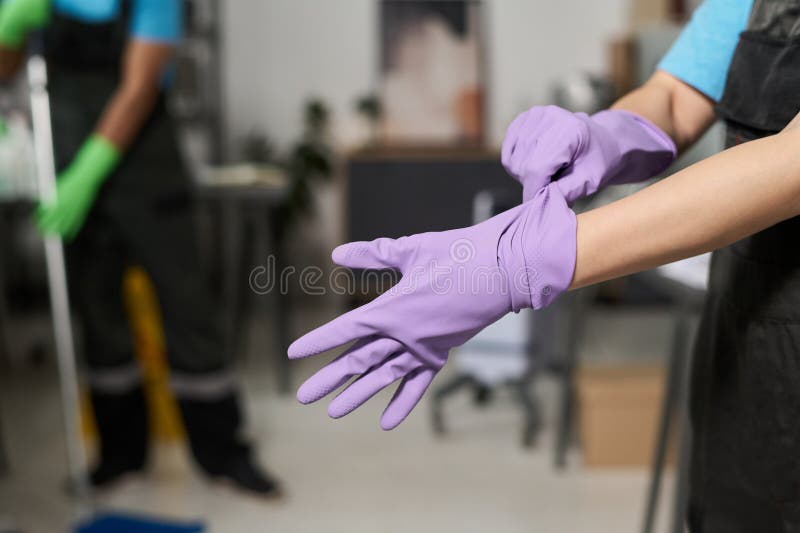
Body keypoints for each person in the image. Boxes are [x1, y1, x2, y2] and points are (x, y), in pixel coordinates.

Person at [290, 0, 800, 529]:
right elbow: (675, 97)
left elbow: (792, 164)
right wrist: (607, 134)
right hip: (746, 362)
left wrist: (524, 261)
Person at [0, 0, 281, 497]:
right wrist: (8, 30)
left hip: (146, 175)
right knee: (99, 318)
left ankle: (223, 454)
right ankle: (119, 455)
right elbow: (6, 73)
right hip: (69, 170)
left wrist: (88, 172)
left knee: (188, 312)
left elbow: (139, 87)